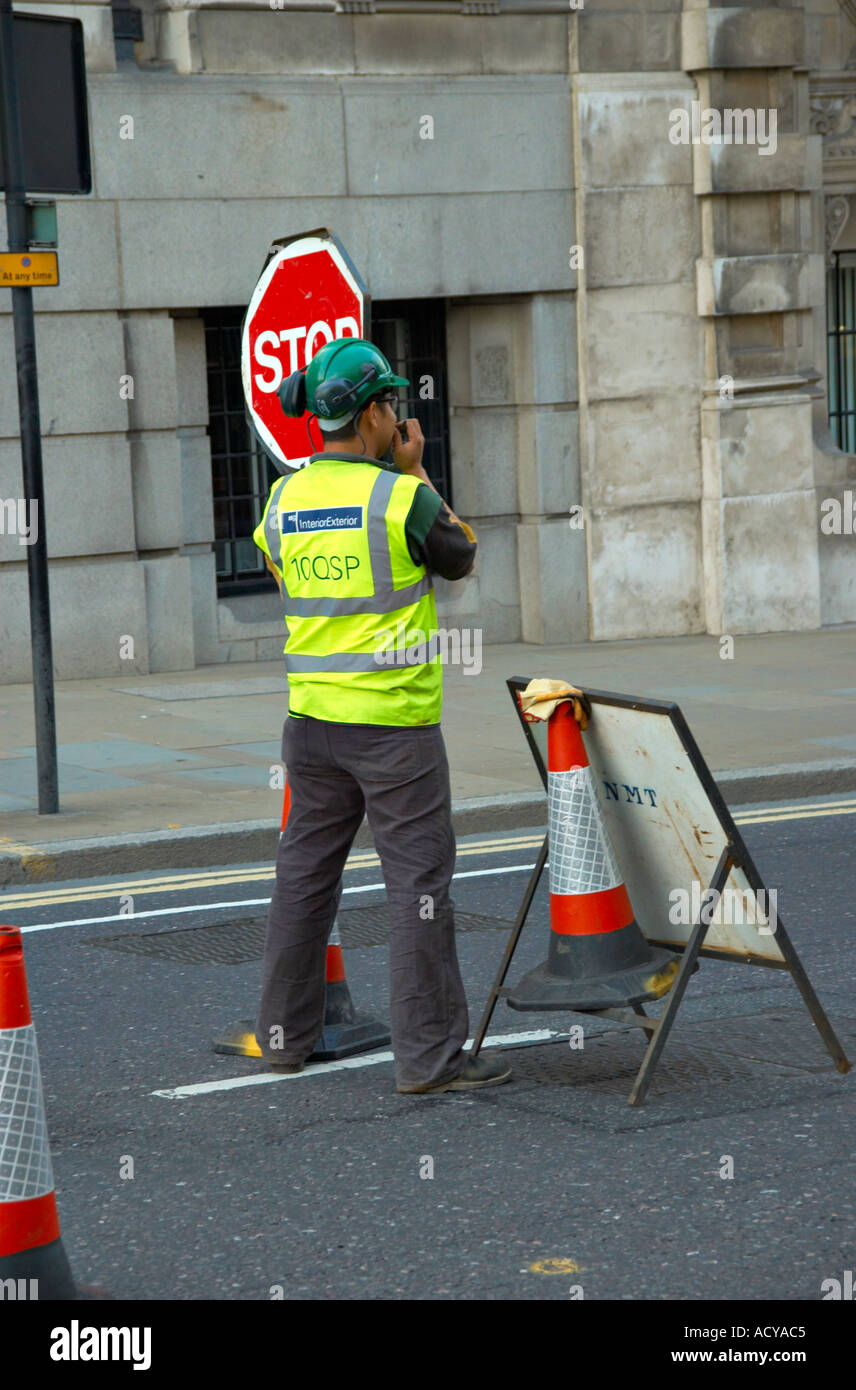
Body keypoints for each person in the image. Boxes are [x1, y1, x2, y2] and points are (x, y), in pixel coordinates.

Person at [251, 337, 512, 1094]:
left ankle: (284, 1038)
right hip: (394, 728)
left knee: (303, 876)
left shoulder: (282, 499)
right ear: (368, 415)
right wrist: (414, 469)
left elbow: (279, 565)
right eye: (391, 404)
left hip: (310, 724)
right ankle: (428, 1060)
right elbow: (461, 553)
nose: (398, 416)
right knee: (418, 886)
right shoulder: (401, 497)